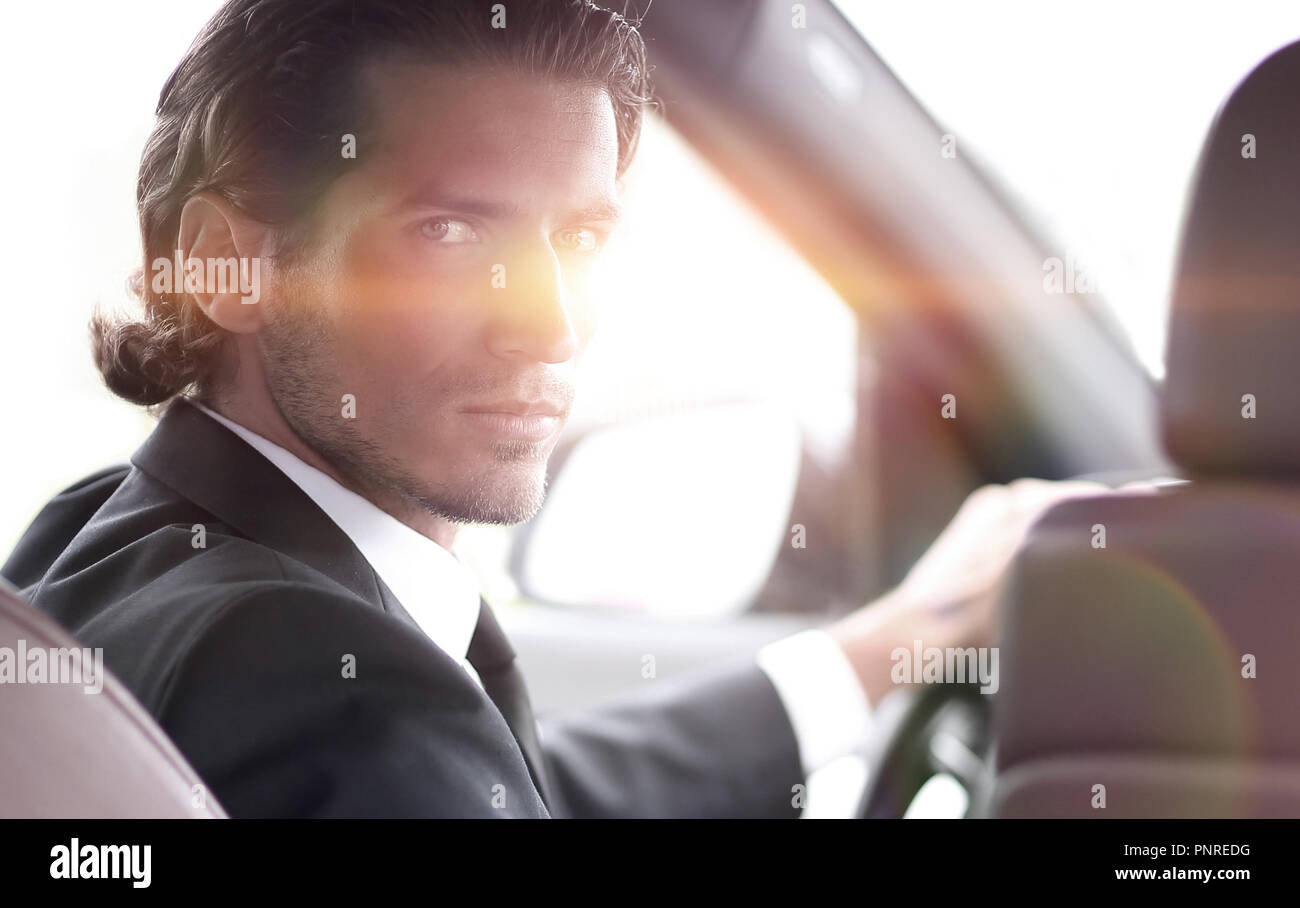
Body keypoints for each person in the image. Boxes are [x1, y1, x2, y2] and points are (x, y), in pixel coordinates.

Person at [1, 0, 1102, 817]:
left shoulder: (95, 539)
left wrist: (883, 648)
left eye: (577, 240)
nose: (553, 324)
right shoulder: (344, 694)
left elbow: (520, 790)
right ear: (230, 265)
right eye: (450, 231)